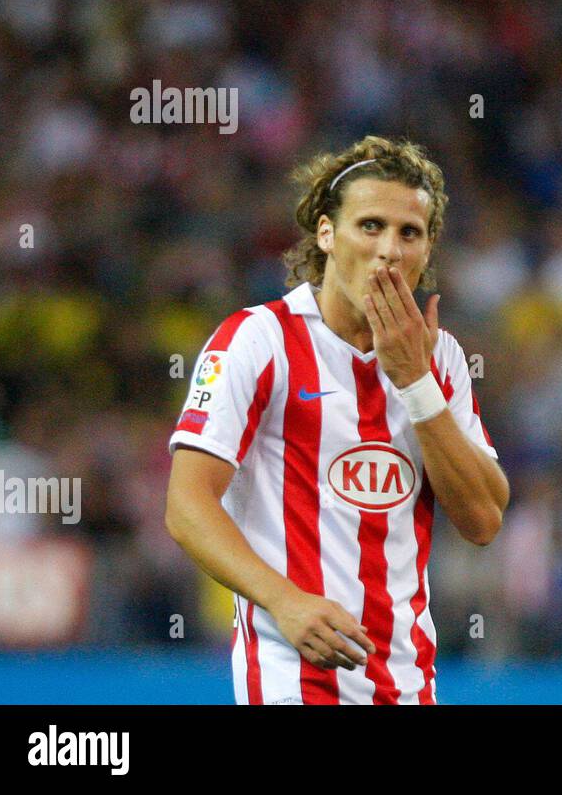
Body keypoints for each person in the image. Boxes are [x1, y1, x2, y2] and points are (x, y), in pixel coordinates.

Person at [165, 135, 508, 704]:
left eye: (409, 233)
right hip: (292, 678)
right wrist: (283, 600)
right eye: (369, 225)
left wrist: (416, 384)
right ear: (326, 233)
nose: (389, 250)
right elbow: (187, 506)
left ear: (427, 250)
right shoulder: (258, 339)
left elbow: (483, 520)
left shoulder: (439, 357)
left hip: (407, 683)